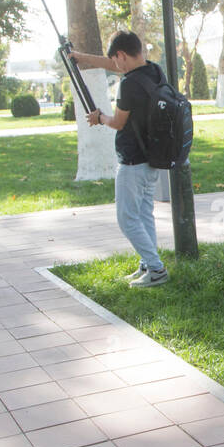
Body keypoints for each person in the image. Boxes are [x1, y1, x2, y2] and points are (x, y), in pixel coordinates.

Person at [70, 31, 170, 288]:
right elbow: (112, 65)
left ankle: (157, 269)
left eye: (116, 60)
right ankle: (148, 264)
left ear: (122, 55)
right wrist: (81, 58)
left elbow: (117, 122)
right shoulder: (154, 72)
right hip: (152, 158)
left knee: (127, 219)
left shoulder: (128, 85)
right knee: (144, 214)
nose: (115, 65)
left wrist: (99, 117)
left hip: (132, 161)